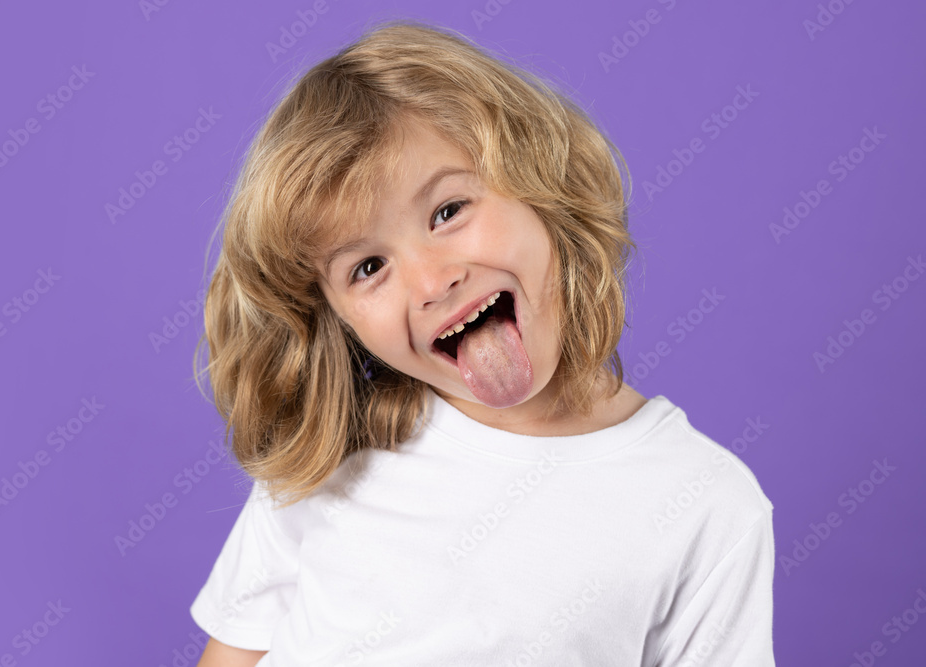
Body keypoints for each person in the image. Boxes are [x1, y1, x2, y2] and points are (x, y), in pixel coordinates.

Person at [189, 18, 775, 666]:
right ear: (336, 320)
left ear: (538, 181)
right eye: (368, 267)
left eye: (448, 211)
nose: (432, 281)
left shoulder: (705, 501)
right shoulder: (327, 453)